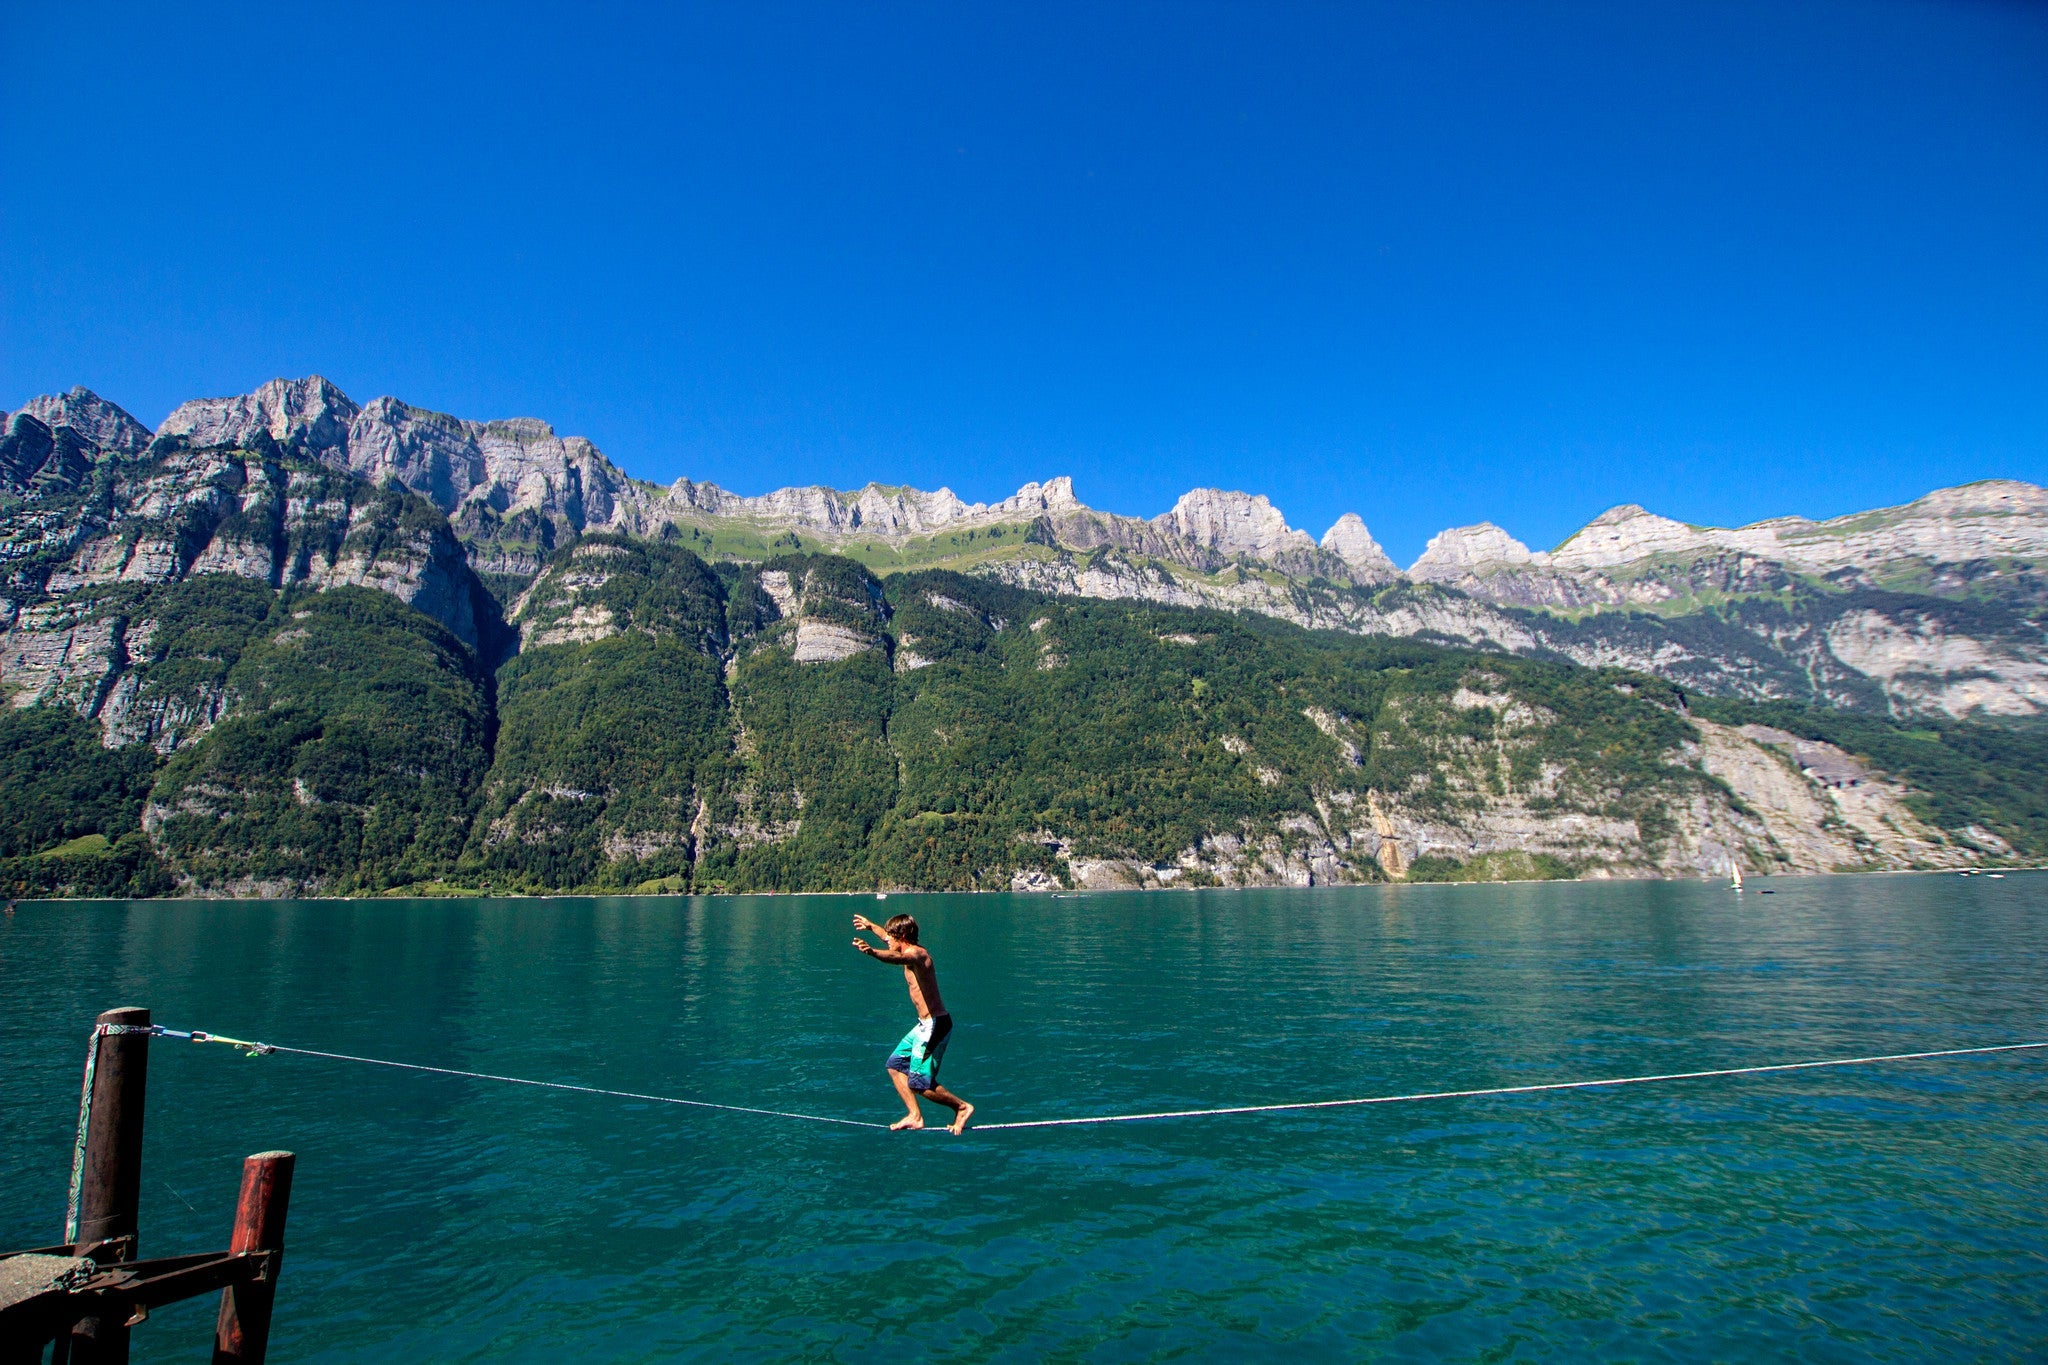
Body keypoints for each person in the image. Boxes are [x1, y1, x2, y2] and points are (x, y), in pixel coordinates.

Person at [852, 912, 973, 1133]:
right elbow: (889, 943)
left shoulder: (917, 955)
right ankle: (915, 1116)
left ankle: (961, 1107)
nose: (887, 940)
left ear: (903, 935)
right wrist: (871, 927)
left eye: (890, 936)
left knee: (918, 1083)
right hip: (923, 1025)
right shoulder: (903, 947)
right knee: (895, 1066)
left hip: (936, 1025)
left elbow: (897, 958)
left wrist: (873, 953)